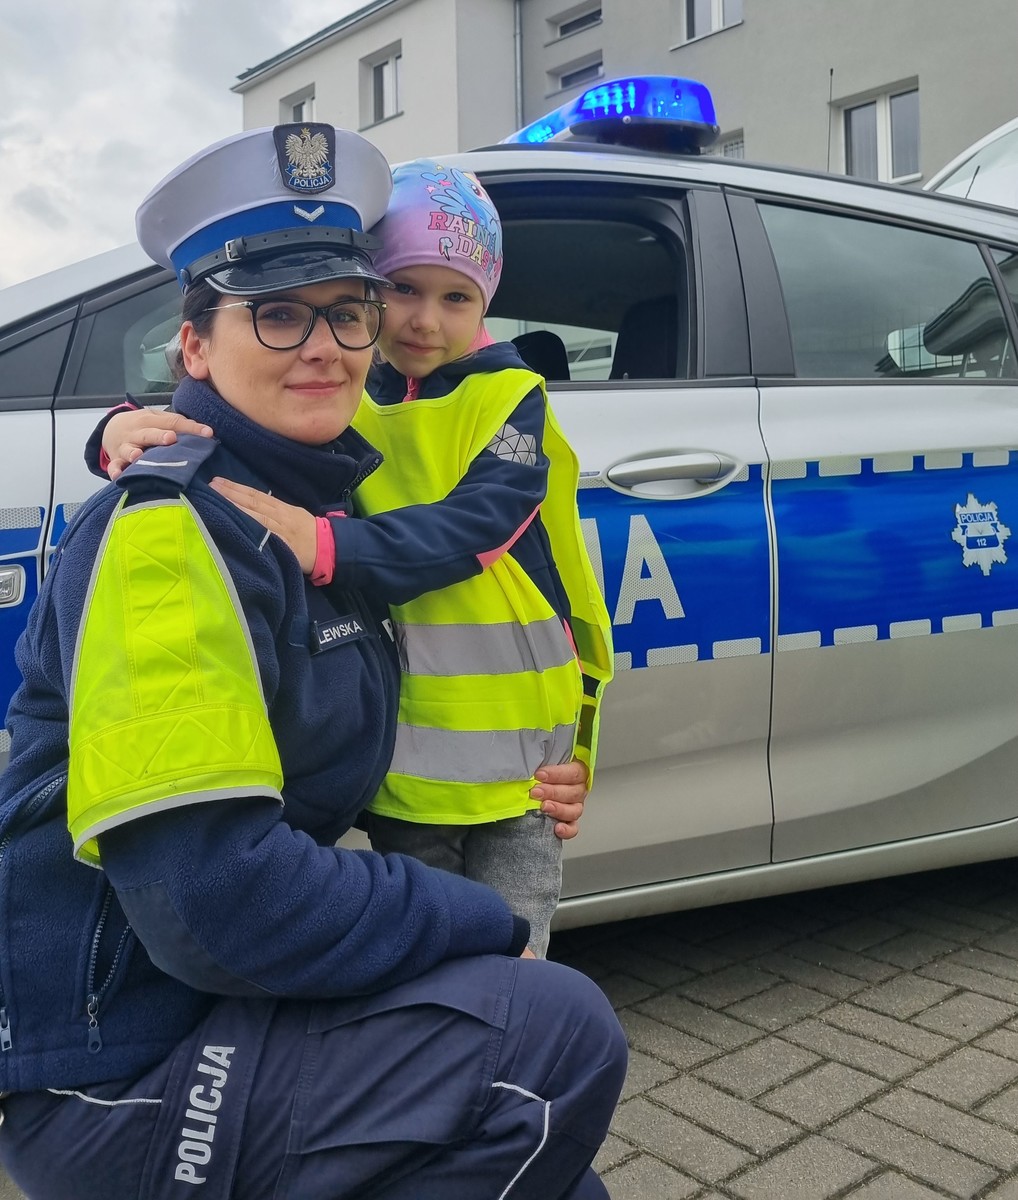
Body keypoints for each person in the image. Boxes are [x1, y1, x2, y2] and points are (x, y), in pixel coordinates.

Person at [0, 122, 627, 1200]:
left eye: (347, 313)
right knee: (549, 1036)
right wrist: (486, 924)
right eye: (278, 315)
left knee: (556, 1172)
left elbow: (493, 618)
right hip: (116, 1059)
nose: (324, 345)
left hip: (218, 997)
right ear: (193, 346)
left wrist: (547, 757)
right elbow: (217, 900)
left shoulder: (322, 495)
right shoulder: (171, 535)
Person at [98, 158, 614, 958]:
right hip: (405, 763)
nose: (423, 321)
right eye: (401, 289)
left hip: (519, 764)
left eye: (457, 298)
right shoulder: (349, 384)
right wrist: (121, 427)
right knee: (433, 966)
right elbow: (233, 409)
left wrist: (326, 544)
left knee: (517, 966)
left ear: (486, 308)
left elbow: (480, 526)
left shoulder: (510, 397)